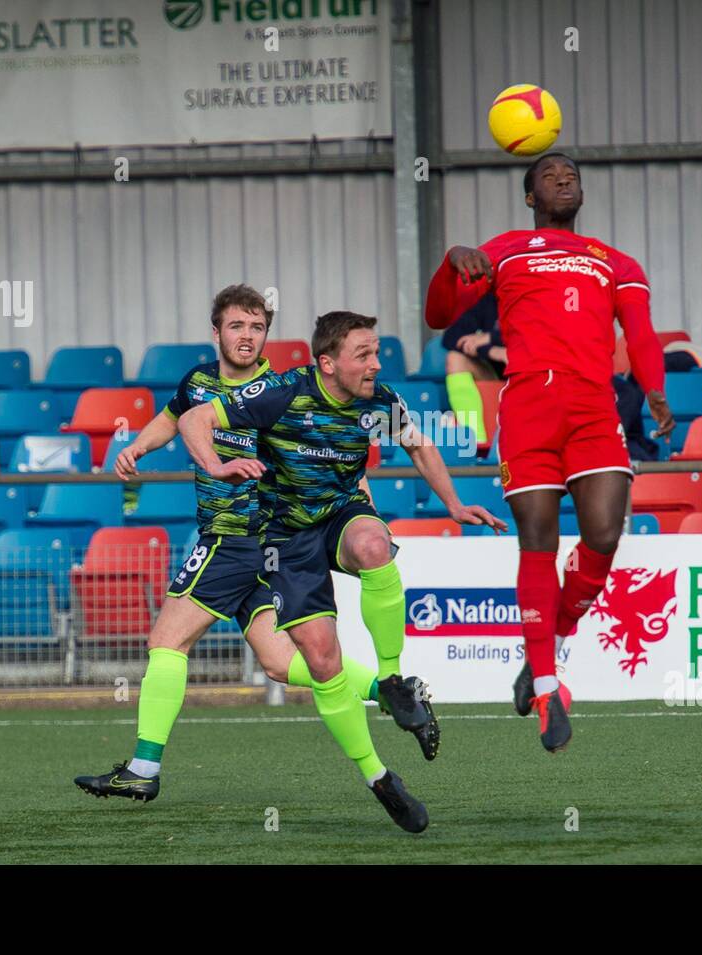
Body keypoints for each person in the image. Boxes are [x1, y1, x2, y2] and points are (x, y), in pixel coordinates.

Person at [73, 285, 428, 806]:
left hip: (238, 535)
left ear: (267, 334)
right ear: (216, 332)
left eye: (257, 327)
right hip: (266, 548)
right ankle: (390, 692)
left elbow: (335, 456)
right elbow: (174, 417)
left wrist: (358, 506)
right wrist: (136, 449)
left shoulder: (278, 389)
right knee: (284, 664)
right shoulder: (198, 384)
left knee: (167, 641)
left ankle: (144, 769)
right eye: (237, 326)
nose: (247, 336)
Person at [178, 311, 506, 832]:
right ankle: (380, 780)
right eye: (364, 355)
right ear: (328, 364)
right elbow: (193, 420)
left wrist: (454, 504)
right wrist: (216, 465)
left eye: (376, 353)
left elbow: (418, 444)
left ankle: (395, 680)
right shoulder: (282, 394)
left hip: (340, 515)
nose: (376, 364)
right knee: (323, 662)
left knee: (376, 543)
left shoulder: (379, 400)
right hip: (284, 539)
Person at [424, 151, 675, 753]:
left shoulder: (616, 262)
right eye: (548, 175)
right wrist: (450, 262)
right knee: (537, 539)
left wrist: (657, 388)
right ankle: (545, 685)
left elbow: (638, 334)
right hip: (530, 409)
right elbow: (437, 316)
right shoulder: (506, 249)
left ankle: (548, 644)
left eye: (572, 174)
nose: (564, 179)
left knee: (604, 534)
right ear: (530, 196)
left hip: (593, 408)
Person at [442, 292, 505, 443]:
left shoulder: (538, 297)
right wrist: (490, 350)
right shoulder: (492, 299)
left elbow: (540, 334)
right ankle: (474, 439)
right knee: (455, 359)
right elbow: (451, 337)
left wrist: (491, 338)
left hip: (538, 374)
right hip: (498, 378)